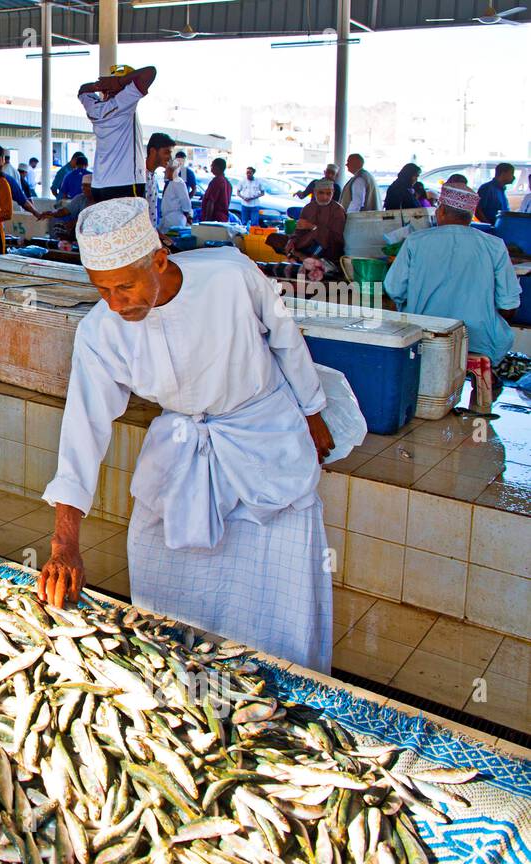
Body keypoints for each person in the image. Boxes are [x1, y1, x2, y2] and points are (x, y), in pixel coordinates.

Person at [38, 197, 335, 673]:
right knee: (165, 567)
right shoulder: (100, 331)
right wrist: (64, 541)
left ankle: (282, 682)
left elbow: (285, 337)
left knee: (275, 583)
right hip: (185, 445)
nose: (117, 303)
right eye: (103, 290)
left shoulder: (230, 275)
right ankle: (187, 675)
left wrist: (313, 411)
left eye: (125, 286)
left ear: (159, 260)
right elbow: (83, 426)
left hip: (264, 435)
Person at [385, 183, 520, 414]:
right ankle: (481, 402)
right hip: (477, 340)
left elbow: (394, 288)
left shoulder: (416, 242)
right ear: (470, 215)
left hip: (427, 337)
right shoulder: (494, 246)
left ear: (442, 211)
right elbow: (509, 305)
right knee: (497, 330)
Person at [78, 65, 157, 203]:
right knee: (130, 225)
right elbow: (150, 72)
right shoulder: (124, 101)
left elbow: (82, 90)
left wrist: (100, 85)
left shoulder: (94, 108)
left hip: (99, 185)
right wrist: (119, 82)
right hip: (125, 183)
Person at [266, 179, 346, 263]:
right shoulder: (308, 208)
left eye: (328, 193)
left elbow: (336, 237)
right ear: (315, 192)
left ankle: (300, 257)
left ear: (333, 192)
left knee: (317, 235)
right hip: (305, 244)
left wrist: (313, 227)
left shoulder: (337, 210)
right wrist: (292, 240)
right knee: (273, 237)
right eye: (321, 193)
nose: (325, 197)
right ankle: (298, 255)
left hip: (326, 247)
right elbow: (298, 231)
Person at [143, 132, 176, 229]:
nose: (170, 158)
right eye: (167, 152)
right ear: (153, 151)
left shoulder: (153, 176)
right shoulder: (140, 176)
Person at [159, 160, 192, 230]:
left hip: (175, 220)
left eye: (166, 170)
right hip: (169, 219)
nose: (164, 172)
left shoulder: (179, 183)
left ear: (171, 171)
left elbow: (185, 202)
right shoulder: (171, 182)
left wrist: (188, 217)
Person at [200, 157, 232, 223]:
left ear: (217, 167)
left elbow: (211, 202)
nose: (211, 168)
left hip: (214, 220)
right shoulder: (228, 183)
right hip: (222, 219)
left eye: (212, 166)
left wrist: (207, 221)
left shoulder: (217, 181)